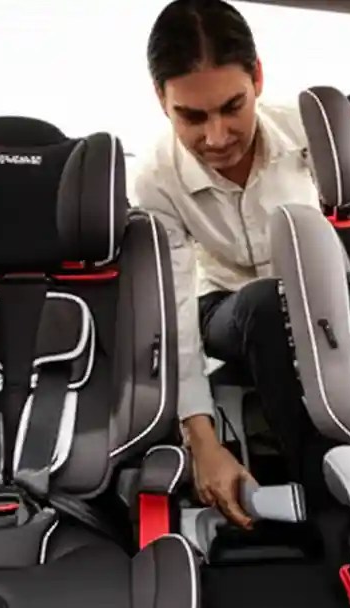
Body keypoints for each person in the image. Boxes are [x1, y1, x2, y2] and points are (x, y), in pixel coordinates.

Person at [131, 0, 330, 529]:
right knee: (264, 305)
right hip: (223, 310)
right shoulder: (153, 179)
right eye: (192, 117)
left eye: (231, 107)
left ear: (258, 79)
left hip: (318, 306)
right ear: (162, 101)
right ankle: (324, 498)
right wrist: (203, 441)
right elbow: (172, 314)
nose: (216, 137)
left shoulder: (314, 137)